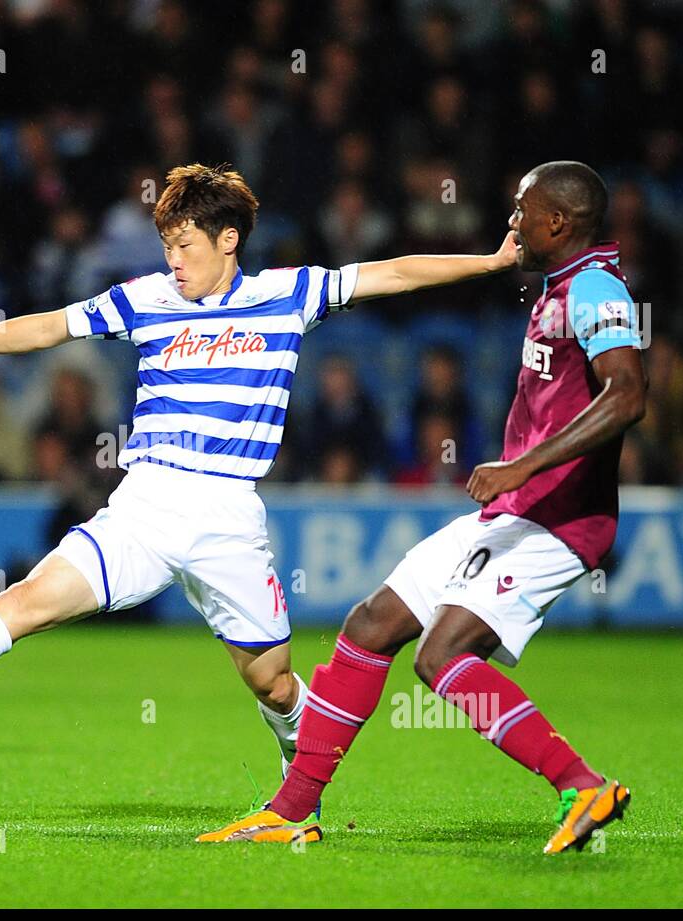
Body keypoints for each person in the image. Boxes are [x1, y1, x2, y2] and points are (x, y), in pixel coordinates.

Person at [0, 163, 516, 794]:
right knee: (27, 601)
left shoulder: (288, 294)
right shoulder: (146, 298)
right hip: (144, 506)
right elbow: (45, 328)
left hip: (226, 517)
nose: (173, 260)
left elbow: (394, 272)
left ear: (229, 240)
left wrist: (491, 261)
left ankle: (297, 759)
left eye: (186, 244)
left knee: (273, 683)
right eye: (167, 245)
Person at [199, 161, 646, 853]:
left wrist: (520, 465)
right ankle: (292, 809)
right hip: (519, 509)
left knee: (440, 657)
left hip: (557, 517)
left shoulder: (593, 287)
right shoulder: (560, 287)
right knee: (373, 621)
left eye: (522, 209)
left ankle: (581, 782)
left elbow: (626, 395)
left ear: (558, 222)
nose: (512, 221)